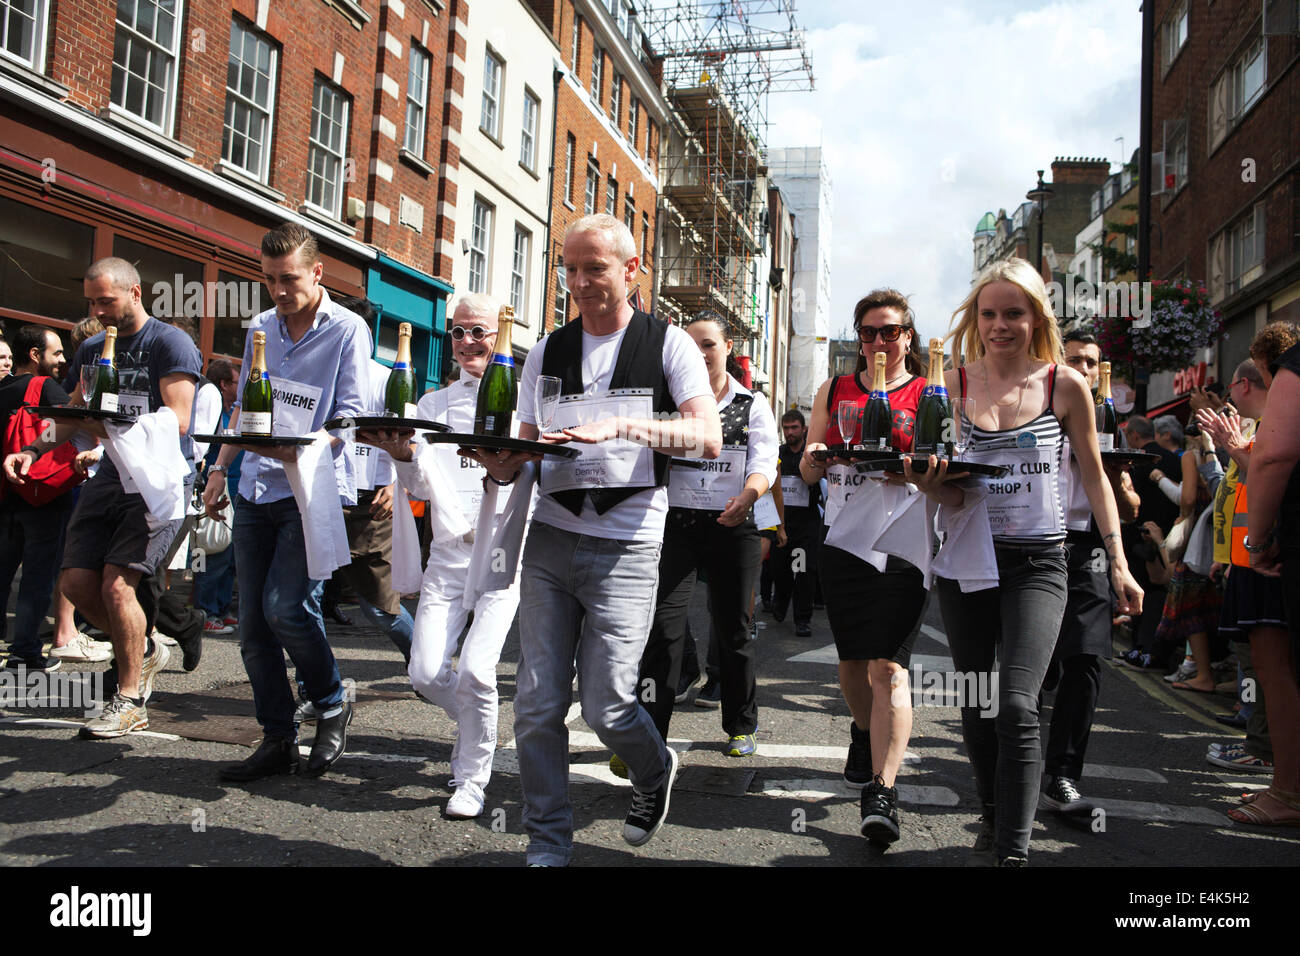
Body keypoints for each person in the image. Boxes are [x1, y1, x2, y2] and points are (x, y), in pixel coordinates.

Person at [480, 213, 721, 866]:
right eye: (570, 268)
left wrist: (623, 425)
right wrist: (492, 457)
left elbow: (707, 436)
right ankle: (548, 843)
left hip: (629, 545)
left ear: (631, 271)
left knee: (609, 705)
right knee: (535, 704)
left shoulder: (666, 345)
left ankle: (651, 769)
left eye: (595, 268)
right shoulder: (547, 350)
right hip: (551, 543)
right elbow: (522, 450)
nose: (580, 281)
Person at [908, 258, 1141, 865]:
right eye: (989, 313)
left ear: (1036, 316)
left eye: (1014, 313)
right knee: (979, 701)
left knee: (1017, 702)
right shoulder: (950, 387)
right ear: (975, 318)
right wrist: (928, 484)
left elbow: (1095, 478)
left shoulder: (1065, 385)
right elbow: (953, 490)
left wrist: (1119, 562)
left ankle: (1013, 850)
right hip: (967, 562)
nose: (1000, 325)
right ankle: (991, 820)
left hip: (1040, 562)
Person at [203, 222, 373, 781]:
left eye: (290, 279)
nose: (279, 291)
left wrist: (301, 446)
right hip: (256, 484)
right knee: (252, 626)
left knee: (287, 606)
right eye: (270, 279)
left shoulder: (348, 330)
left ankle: (329, 699)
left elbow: (349, 416)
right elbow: (242, 411)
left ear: (317, 273)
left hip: (311, 487)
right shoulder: (260, 327)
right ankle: (277, 737)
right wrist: (219, 468)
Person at [4, 259, 202, 736]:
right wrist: (32, 448)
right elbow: (74, 410)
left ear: (135, 293)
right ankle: (147, 645)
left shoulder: (168, 342)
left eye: (106, 301)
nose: (98, 310)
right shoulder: (92, 347)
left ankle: (129, 698)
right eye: (91, 302)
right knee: (74, 582)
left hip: (157, 477)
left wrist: (108, 424)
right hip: (111, 471)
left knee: (118, 585)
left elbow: (177, 421)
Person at [361, 293, 520, 819]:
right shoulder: (430, 406)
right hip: (450, 552)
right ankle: (481, 726)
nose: (469, 342)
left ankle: (471, 778)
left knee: (477, 670)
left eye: (479, 331)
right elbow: (421, 486)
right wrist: (403, 457)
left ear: (499, 335)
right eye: (459, 332)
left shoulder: (523, 403)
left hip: (503, 553)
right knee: (425, 672)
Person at [800, 288, 928, 844]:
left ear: (907, 338)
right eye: (868, 332)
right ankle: (860, 729)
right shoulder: (834, 388)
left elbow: (943, 466)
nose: (878, 341)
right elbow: (807, 471)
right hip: (845, 542)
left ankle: (883, 789)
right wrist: (814, 460)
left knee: (888, 668)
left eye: (889, 331)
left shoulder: (930, 391)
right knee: (853, 664)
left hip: (904, 542)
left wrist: (912, 471)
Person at [636, 310, 777, 760]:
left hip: (732, 525)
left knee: (733, 629)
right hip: (674, 527)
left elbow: (764, 461)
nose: (699, 352)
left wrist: (749, 497)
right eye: (691, 345)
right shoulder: (669, 405)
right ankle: (648, 733)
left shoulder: (751, 404)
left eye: (709, 344)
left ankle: (740, 724)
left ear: (727, 348)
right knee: (662, 630)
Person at [1039, 329, 1140, 815]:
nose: (1082, 369)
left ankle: (1062, 773)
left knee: (1087, 659)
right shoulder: (1038, 410)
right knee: (1036, 669)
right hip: (1036, 543)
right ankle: (1011, 763)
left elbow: (1129, 505)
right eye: (1074, 359)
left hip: (1088, 548)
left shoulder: (1106, 422)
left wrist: (1119, 483)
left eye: (1091, 362)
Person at [1221, 322, 1300, 824]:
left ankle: (1288, 792)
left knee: (1277, 672)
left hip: (1275, 553)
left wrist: (1258, 538)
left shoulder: (1291, 380)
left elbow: (1273, 457)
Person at [0, 325, 77, 670]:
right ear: (35, 356)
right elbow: (74, 425)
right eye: (56, 353)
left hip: (5, 494)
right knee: (37, 576)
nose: (62, 360)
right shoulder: (45, 386)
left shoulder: (1, 388)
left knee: (2, 573)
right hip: (41, 495)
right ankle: (24, 650)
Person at [192, 359, 242, 636]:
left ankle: (222, 609)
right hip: (216, 491)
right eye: (237, 382)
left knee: (229, 554)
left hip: (237, 490)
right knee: (209, 552)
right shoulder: (211, 412)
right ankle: (204, 611)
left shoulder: (232, 413)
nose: (241, 387)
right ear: (224, 384)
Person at [771, 409, 821, 638]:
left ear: (803, 429)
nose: (790, 432)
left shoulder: (810, 456)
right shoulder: (778, 453)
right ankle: (780, 603)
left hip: (806, 526)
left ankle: (803, 619)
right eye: (786, 428)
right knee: (781, 569)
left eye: (794, 428)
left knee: (803, 571)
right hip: (782, 523)